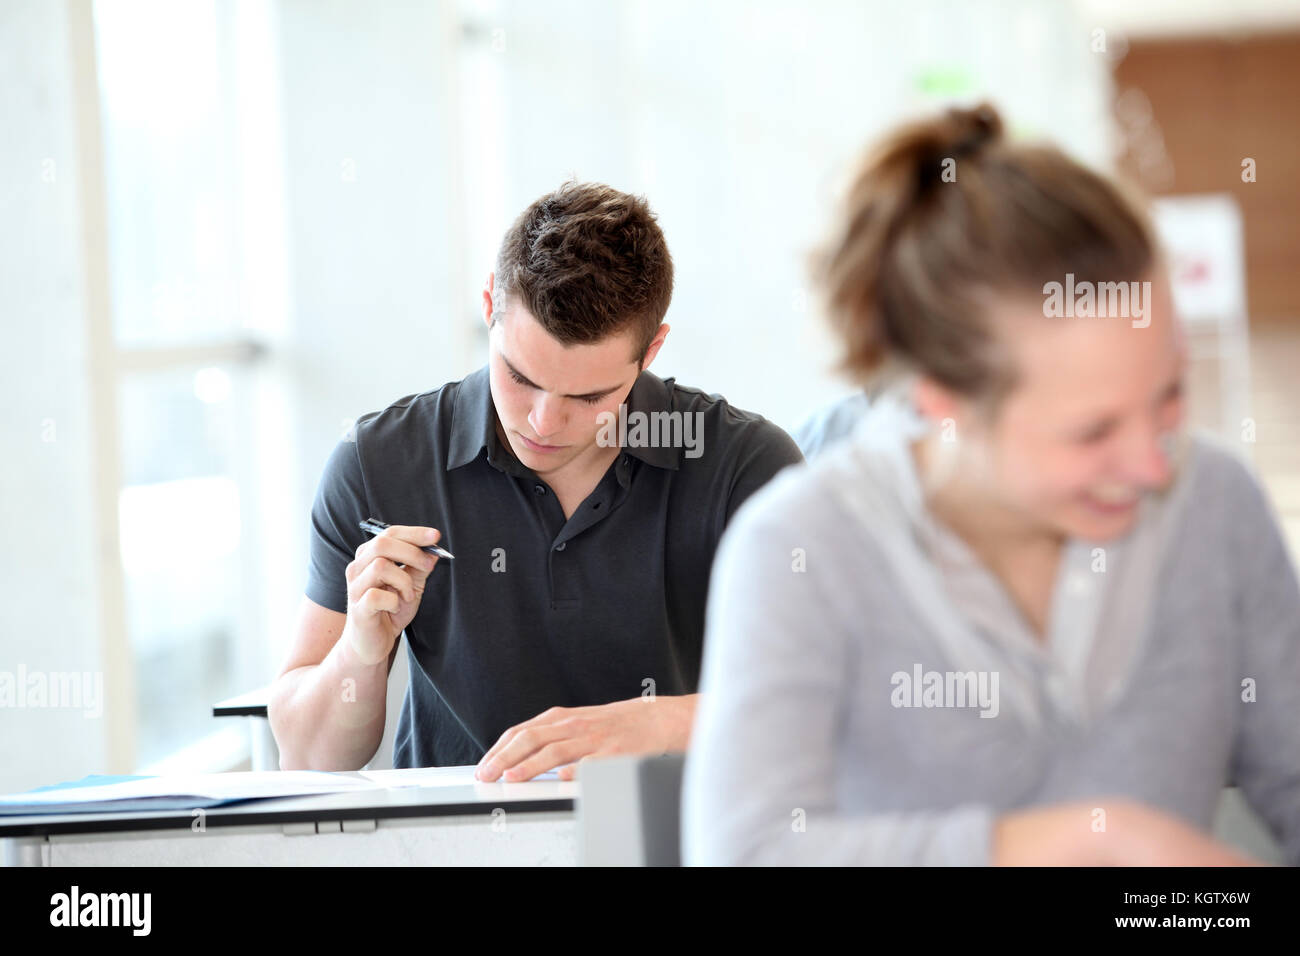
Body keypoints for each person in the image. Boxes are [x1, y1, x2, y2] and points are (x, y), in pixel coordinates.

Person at [682, 103, 1300, 865]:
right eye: (1093, 431)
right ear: (943, 402)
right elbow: (748, 853)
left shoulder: (1215, 505)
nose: (1155, 464)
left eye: (1169, 395)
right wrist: (1068, 843)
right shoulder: (803, 548)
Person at [269, 182, 803, 780]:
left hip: (672, 838)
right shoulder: (379, 461)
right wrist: (359, 657)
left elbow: (824, 707)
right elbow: (306, 760)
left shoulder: (746, 467)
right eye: (519, 376)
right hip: (458, 846)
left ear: (651, 349)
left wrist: (657, 725)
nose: (543, 423)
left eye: (589, 395)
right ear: (490, 303)